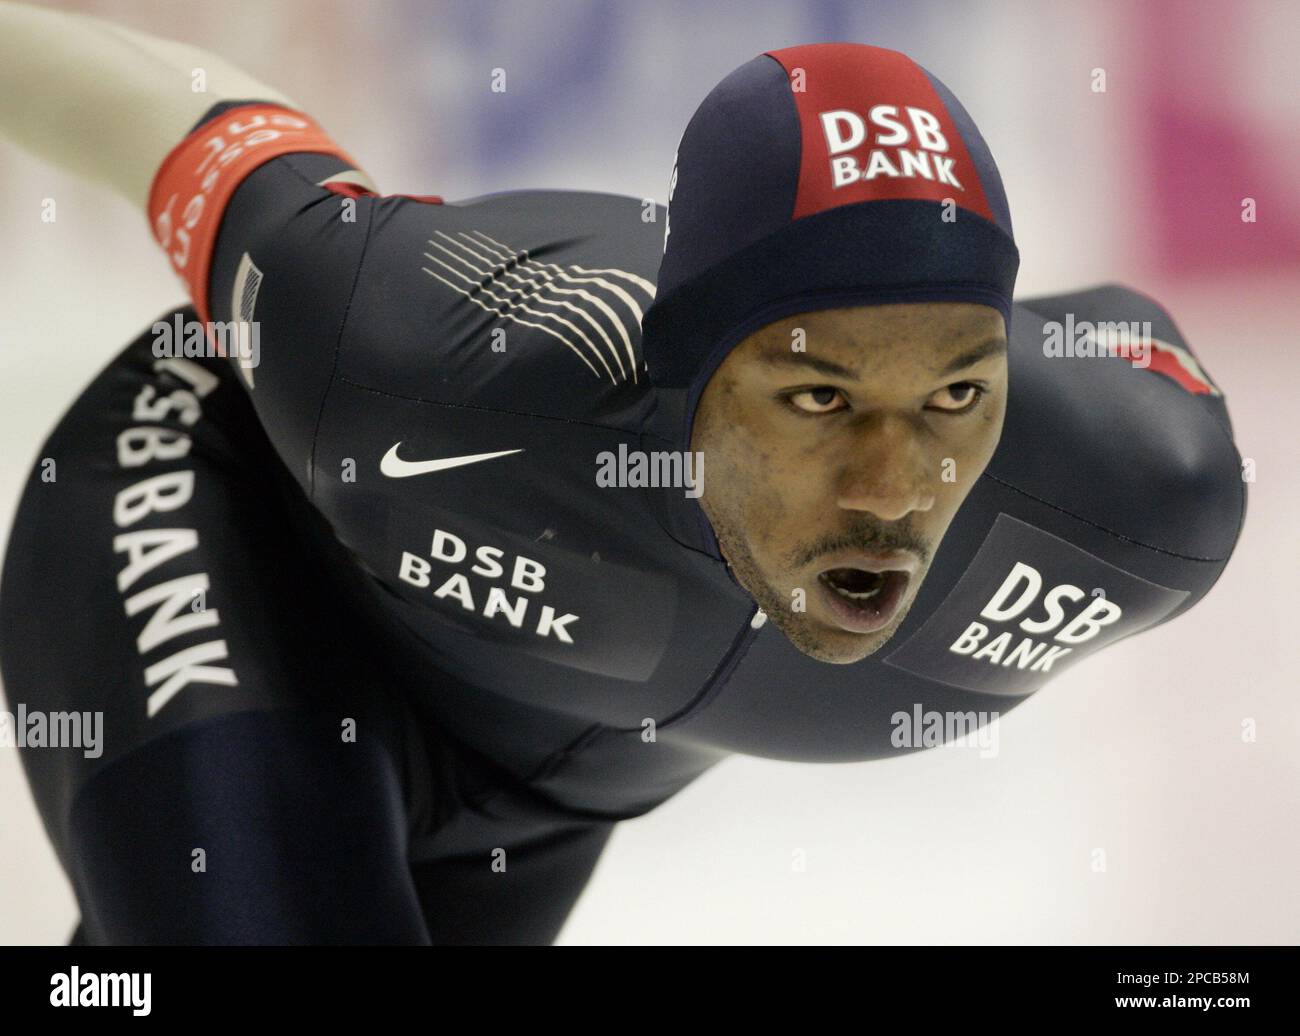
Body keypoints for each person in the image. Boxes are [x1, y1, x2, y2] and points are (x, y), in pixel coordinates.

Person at [0, 3, 1246, 944]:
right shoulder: (405, 342)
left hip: (536, 801)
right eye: (818, 396)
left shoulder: (1135, 505)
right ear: (675, 364)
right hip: (225, 516)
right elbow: (166, 121)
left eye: (955, 394)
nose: (892, 482)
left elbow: (1132, 339)